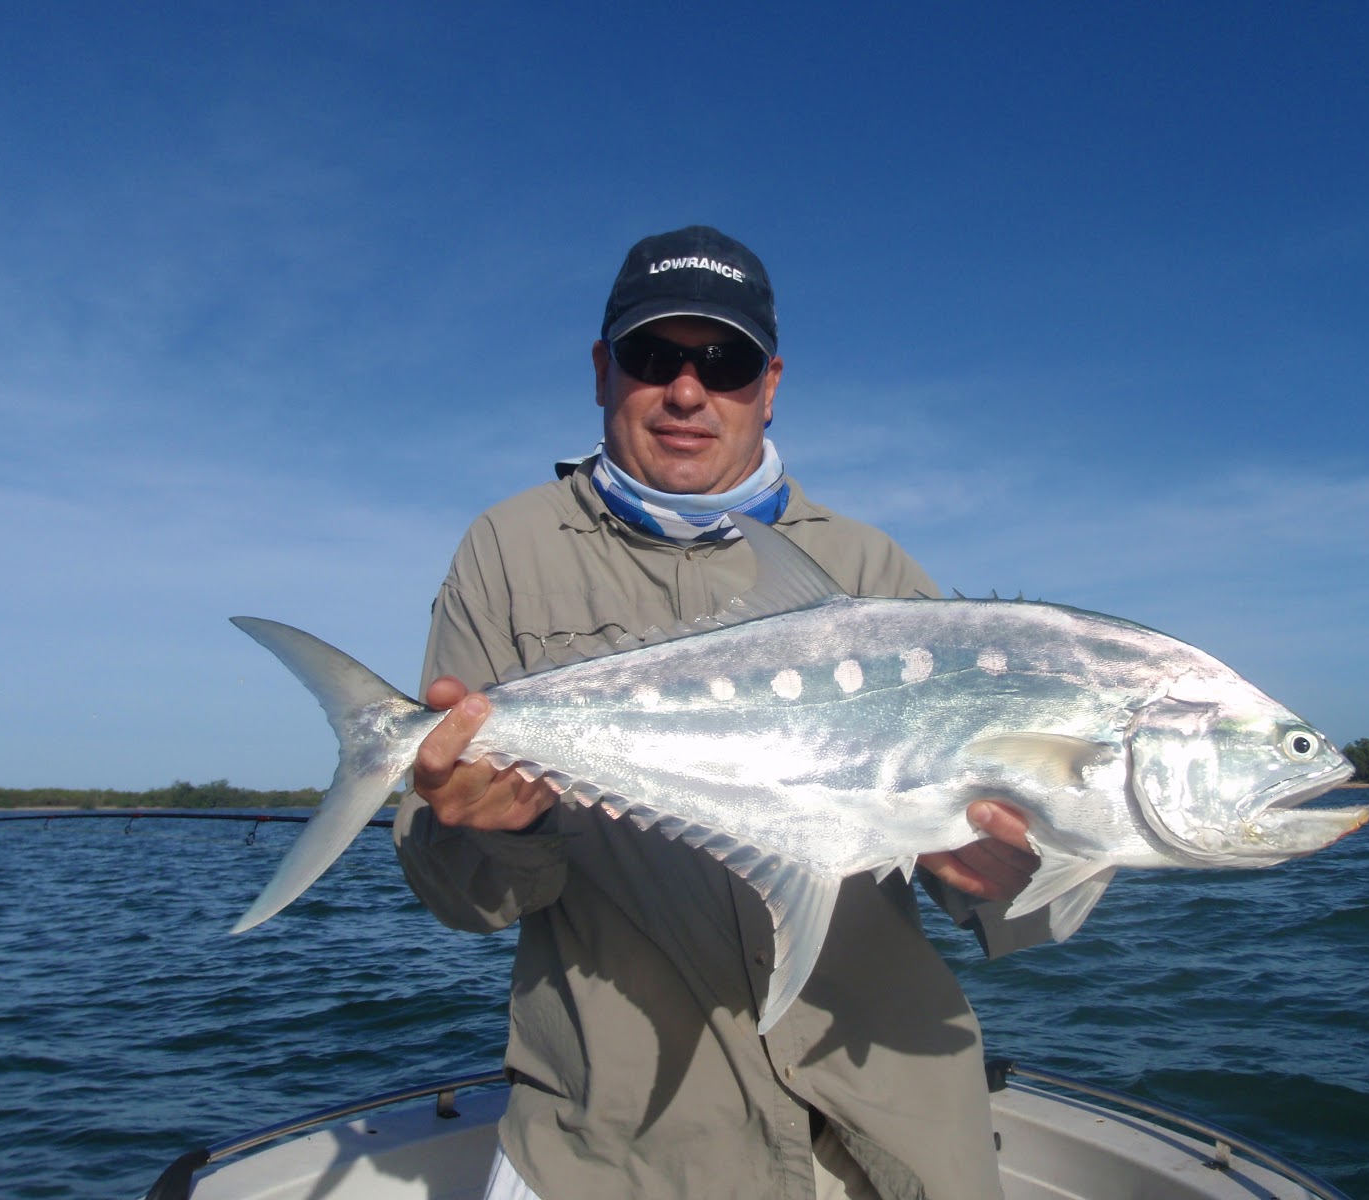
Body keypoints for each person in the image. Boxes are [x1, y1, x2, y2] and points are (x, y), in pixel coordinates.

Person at [394, 226, 1049, 1200]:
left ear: (770, 383)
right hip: (621, 1152)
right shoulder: (508, 552)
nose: (688, 391)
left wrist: (1006, 874)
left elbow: (996, 899)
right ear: (601, 372)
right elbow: (463, 898)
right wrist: (500, 829)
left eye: (726, 361)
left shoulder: (872, 573)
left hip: (893, 1143)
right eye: (653, 357)